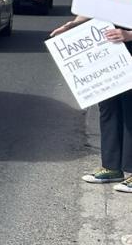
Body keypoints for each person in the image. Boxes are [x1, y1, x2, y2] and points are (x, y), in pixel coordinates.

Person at [51, 15, 132, 190]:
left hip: (128, 40)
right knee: (108, 106)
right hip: (111, 47)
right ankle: (111, 167)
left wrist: (130, 35)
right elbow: (93, 6)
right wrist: (72, 25)